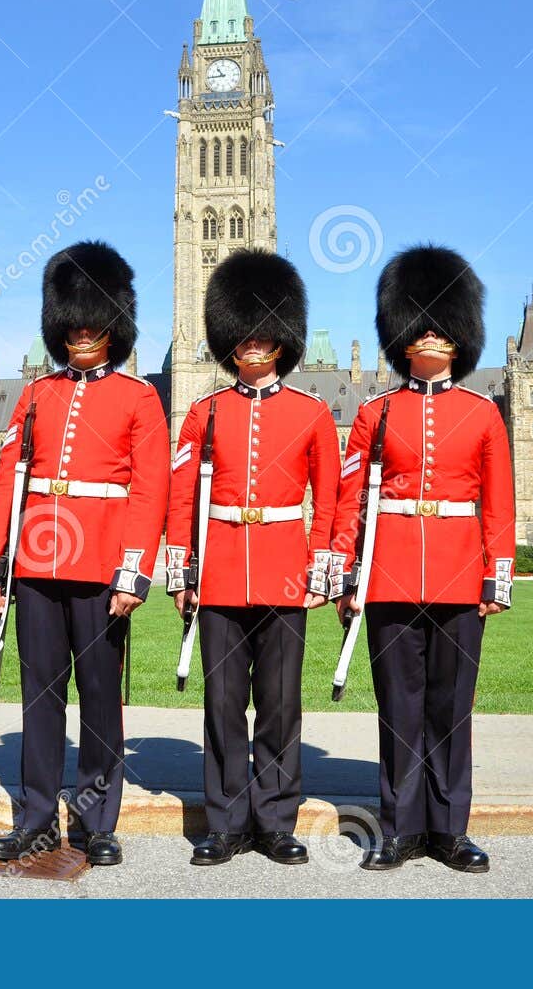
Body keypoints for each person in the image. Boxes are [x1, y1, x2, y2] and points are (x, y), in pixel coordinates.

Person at [0, 241, 170, 867]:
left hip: (100, 566)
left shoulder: (140, 398)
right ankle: (35, 819)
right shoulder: (36, 394)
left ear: (113, 327)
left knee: (100, 697)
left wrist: (133, 570)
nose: (83, 334)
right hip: (36, 561)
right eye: (73, 324)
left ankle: (94, 820)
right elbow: (11, 479)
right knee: (40, 698)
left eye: (94, 323)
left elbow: (150, 490)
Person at [332, 245, 514, 874]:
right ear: (401, 334)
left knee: (450, 707)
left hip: (463, 576)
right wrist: (347, 576)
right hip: (389, 575)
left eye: (443, 323)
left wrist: (498, 576)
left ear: (461, 336)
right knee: (399, 706)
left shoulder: (483, 414)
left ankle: (450, 829)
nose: (432, 332)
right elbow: (349, 503)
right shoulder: (372, 415)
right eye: (422, 322)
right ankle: (400, 827)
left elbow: (498, 508)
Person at [165, 250, 340, 867]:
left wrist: (322, 570)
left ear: (282, 341)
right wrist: (181, 570)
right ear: (228, 341)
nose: (255, 346)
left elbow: (330, 502)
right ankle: (225, 823)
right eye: (243, 335)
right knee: (221, 705)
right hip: (217, 574)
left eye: (266, 335)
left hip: (287, 574)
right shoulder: (202, 412)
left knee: (281, 703)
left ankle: (274, 820)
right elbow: (182, 497)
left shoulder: (312, 414)